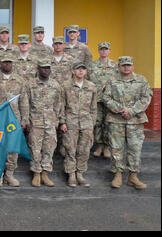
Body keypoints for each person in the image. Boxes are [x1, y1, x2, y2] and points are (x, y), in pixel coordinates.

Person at [103, 56, 153, 190]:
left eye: (128, 65)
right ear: (118, 67)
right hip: (116, 120)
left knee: (135, 149)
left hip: (135, 121)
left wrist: (131, 111)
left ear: (132, 66)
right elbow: (106, 97)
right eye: (123, 65)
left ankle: (133, 176)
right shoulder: (112, 81)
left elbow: (146, 97)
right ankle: (118, 174)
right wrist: (120, 110)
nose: (126, 67)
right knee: (116, 148)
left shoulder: (141, 80)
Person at [0, 55, 29, 187]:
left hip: (14, 119)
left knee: (13, 149)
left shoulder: (20, 80)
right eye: (5, 62)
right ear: (0, 63)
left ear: (13, 64)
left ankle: (9, 174)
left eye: (9, 62)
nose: (7, 65)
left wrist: (24, 119)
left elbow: (24, 101)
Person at [59, 62, 97, 187]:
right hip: (71, 122)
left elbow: (93, 108)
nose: (81, 71)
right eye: (78, 69)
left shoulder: (91, 86)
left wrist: (92, 123)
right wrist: (62, 122)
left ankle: (80, 174)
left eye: (83, 69)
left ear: (86, 71)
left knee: (84, 149)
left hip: (86, 123)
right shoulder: (65, 86)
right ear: (73, 71)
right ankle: (71, 175)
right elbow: (61, 106)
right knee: (70, 149)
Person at [26, 59, 62, 187]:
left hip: (50, 122)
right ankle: (36, 172)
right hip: (35, 121)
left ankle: (45, 173)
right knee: (35, 148)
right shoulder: (30, 84)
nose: (45, 70)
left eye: (47, 68)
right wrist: (26, 120)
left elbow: (58, 104)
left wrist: (57, 120)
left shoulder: (55, 85)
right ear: (38, 69)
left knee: (49, 148)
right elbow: (26, 103)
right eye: (43, 68)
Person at [89, 42, 118, 158]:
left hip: (110, 100)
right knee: (98, 122)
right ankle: (99, 145)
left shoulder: (115, 66)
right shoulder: (92, 65)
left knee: (108, 123)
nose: (104, 51)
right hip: (96, 99)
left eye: (106, 49)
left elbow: (118, 81)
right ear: (99, 51)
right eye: (101, 49)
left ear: (109, 51)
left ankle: (107, 147)